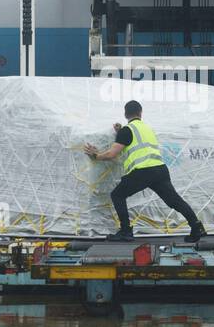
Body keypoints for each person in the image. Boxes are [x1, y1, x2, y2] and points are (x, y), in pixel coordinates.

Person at [84, 99, 206, 242]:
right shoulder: (147, 128)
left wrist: (96, 155)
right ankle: (197, 227)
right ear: (140, 113)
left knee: (117, 195)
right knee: (174, 201)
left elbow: (112, 154)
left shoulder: (127, 130)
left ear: (125, 114)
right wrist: (121, 131)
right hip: (160, 170)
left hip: (142, 171)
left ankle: (125, 231)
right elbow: (134, 139)